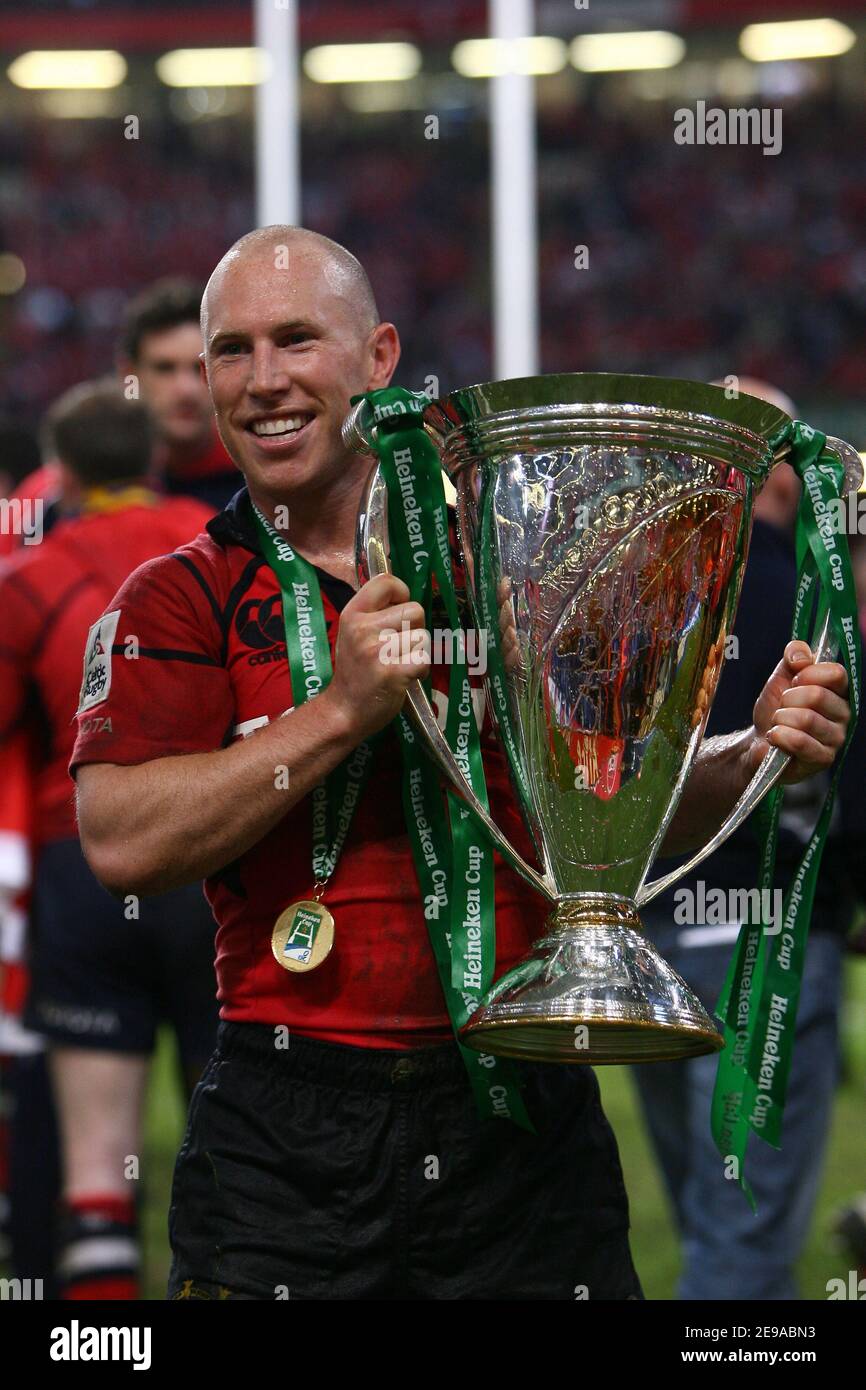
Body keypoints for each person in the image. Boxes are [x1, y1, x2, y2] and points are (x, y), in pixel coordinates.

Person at [71, 228, 851, 1301]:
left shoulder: (522, 571)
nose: (263, 381)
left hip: (520, 1119)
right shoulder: (175, 596)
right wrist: (338, 712)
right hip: (283, 1121)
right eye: (231, 351)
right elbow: (119, 838)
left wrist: (752, 750)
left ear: (379, 357)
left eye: (297, 340)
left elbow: (607, 804)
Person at [631, 377, 866, 1300]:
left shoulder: (636, 606)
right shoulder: (820, 604)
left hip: (648, 944)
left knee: (703, 1214)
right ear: (783, 475)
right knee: (740, 1246)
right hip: (769, 938)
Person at [0, 380, 217, 1298]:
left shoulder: (29, 580)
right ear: (155, 456)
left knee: (98, 1174)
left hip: (81, 867)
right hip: (213, 860)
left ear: (66, 472)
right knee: (243, 1148)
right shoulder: (217, 550)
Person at [118, 279, 240, 512]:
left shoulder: (263, 484)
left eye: (200, 368)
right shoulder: (71, 489)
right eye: (165, 368)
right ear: (129, 376)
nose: (187, 390)